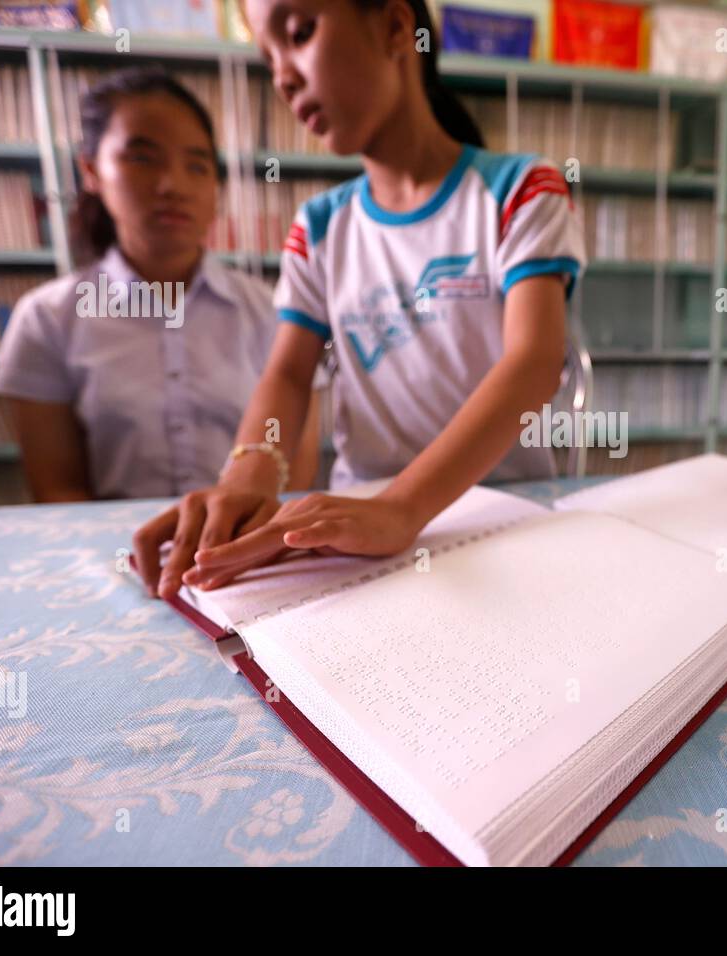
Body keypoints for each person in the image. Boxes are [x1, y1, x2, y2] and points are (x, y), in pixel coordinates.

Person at [132, 0, 586, 599]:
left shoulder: (521, 190)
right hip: (356, 526)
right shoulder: (320, 227)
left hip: (502, 518)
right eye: (269, 59)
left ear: (398, 27)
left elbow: (533, 364)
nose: (284, 77)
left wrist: (402, 508)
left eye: (298, 34)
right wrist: (249, 473)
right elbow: (289, 375)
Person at [0, 67, 319, 502]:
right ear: (90, 170)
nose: (173, 186)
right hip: (112, 558)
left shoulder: (276, 315)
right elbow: (58, 489)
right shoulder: (46, 319)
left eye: (197, 165)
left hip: (247, 552)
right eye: (143, 158)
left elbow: (294, 474)